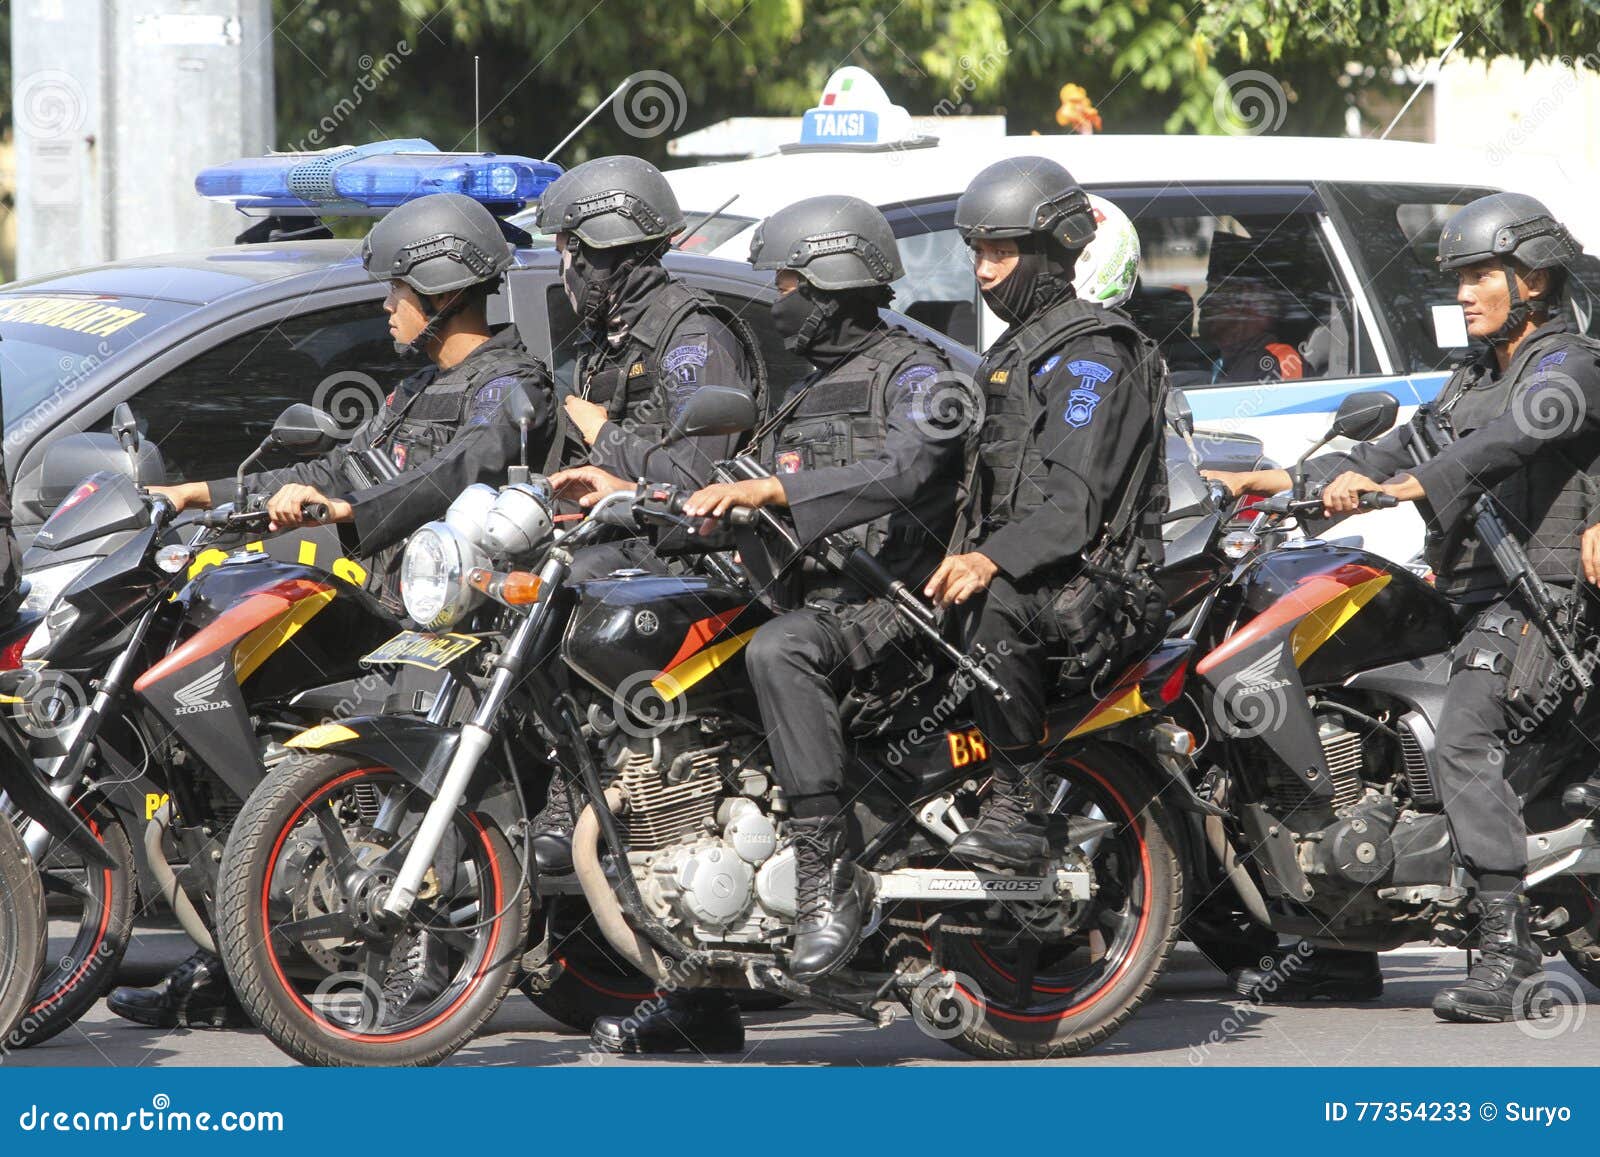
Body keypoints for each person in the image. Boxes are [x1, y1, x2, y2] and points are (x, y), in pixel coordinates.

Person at [107, 191, 557, 1030]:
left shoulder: (511, 384)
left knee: (382, 755)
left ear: (445, 288)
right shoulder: (421, 386)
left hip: (455, 629)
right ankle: (241, 937)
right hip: (379, 608)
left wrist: (346, 513)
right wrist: (202, 494)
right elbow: (351, 466)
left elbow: (463, 468)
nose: (387, 306)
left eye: (396, 291)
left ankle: (416, 950)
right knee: (207, 692)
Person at [580, 195, 969, 1055]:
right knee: (678, 691)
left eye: (790, 280)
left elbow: (907, 469)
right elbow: (735, 491)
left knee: (778, 647)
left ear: (832, 283)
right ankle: (702, 986)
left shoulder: (923, 376)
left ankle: (831, 880)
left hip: (893, 610)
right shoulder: (811, 391)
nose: (780, 298)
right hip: (812, 599)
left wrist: (773, 493)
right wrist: (632, 500)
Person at [1209, 192, 1599, 1023]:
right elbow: (1393, 447)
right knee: (1337, 701)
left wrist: (1405, 487)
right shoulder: (1470, 379)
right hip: (1459, 590)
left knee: (1463, 740)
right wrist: (1271, 481)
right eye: (1457, 278)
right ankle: (1342, 939)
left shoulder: (1568, 365)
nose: (1461, 293)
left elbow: (1511, 441)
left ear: (1531, 278)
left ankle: (1506, 946)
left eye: (1478, 276)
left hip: (1540, 596)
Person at [922, 156, 1168, 869]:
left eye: (1000, 251)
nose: (984, 270)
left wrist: (987, 559)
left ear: (1054, 250)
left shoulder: (1092, 356)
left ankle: (1020, 802)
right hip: (1044, 575)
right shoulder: (1016, 353)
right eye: (976, 252)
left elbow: (1072, 510)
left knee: (995, 599)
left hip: (1090, 589)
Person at [528, 155, 764, 871]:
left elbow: (697, 474)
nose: (564, 271)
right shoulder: (608, 346)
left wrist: (601, 432)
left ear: (609, 256)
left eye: (571, 253)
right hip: (634, 534)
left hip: (695, 550)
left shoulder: (693, 337)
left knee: (574, 586)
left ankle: (579, 788)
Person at [1197, 232, 1305, 383]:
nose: (1201, 301)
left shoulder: (1280, 362)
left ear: (1246, 301)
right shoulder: (1221, 362)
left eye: (1215, 291)